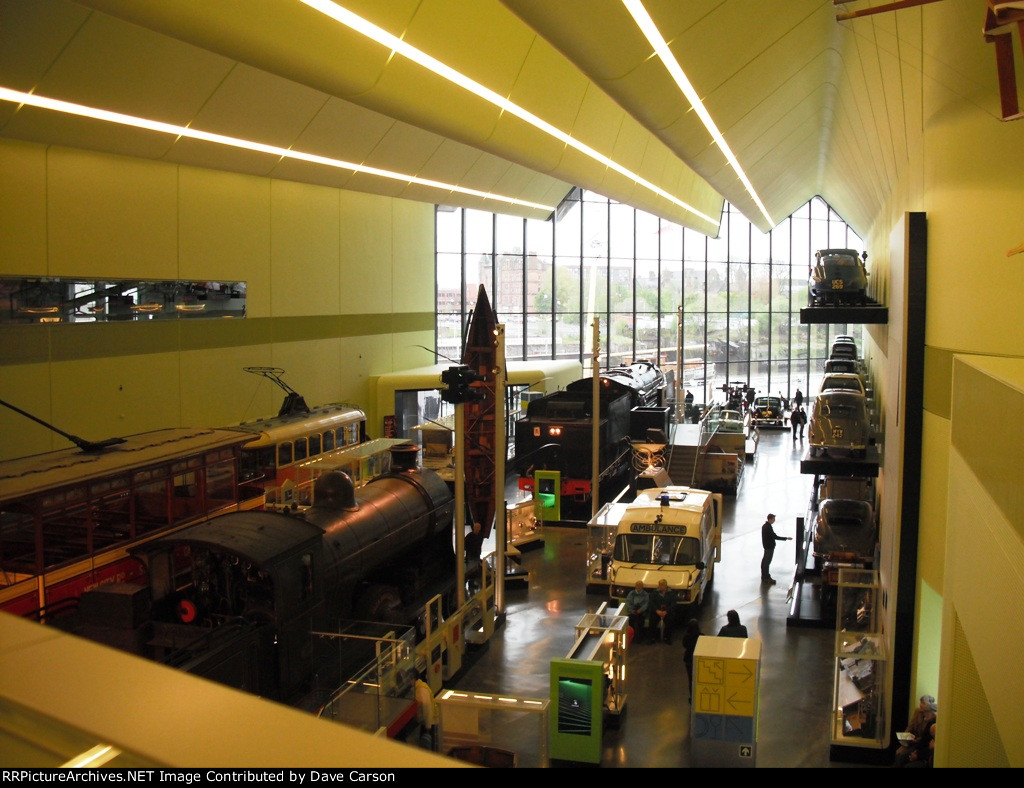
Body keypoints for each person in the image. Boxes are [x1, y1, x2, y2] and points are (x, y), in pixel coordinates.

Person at [895, 695, 937, 767]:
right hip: (914, 742)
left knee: (904, 757)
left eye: (923, 703)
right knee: (899, 753)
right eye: (921, 702)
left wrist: (917, 752)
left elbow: (925, 741)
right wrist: (905, 737)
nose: (921, 705)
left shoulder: (933, 723)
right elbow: (910, 726)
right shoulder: (918, 712)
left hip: (919, 744)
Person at [761, 512, 792, 584]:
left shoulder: (764, 526)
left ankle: (764, 576)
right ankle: (766, 577)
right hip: (769, 547)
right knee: (767, 563)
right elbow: (775, 536)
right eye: (773, 519)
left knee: (764, 562)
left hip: (766, 547)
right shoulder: (768, 527)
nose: (774, 521)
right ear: (770, 519)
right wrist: (786, 538)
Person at [649, 578, 676, 644]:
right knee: (652, 620)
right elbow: (651, 603)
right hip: (657, 611)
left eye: (662, 585)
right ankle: (652, 638)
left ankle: (667, 638)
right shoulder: (655, 593)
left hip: (667, 612)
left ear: (666, 586)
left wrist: (666, 611)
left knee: (670, 621)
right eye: (660, 586)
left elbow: (673, 604)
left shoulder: (671, 593)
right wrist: (657, 611)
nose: (661, 587)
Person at [681, 618, 702, 701]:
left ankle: (692, 697)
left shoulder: (686, 637)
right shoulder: (701, 636)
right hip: (698, 660)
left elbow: (684, 645)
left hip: (689, 660)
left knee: (690, 680)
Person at [464, 521, 484, 588]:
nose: (477, 529)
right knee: (471, 570)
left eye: (478, 527)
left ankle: (471, 583)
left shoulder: (480, 536)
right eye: (476, 527)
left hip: (476, 554)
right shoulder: (469, 536)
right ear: (474, 528)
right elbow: (465, 545)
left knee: (475, 570)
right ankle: (469, 583)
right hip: (471, 555)